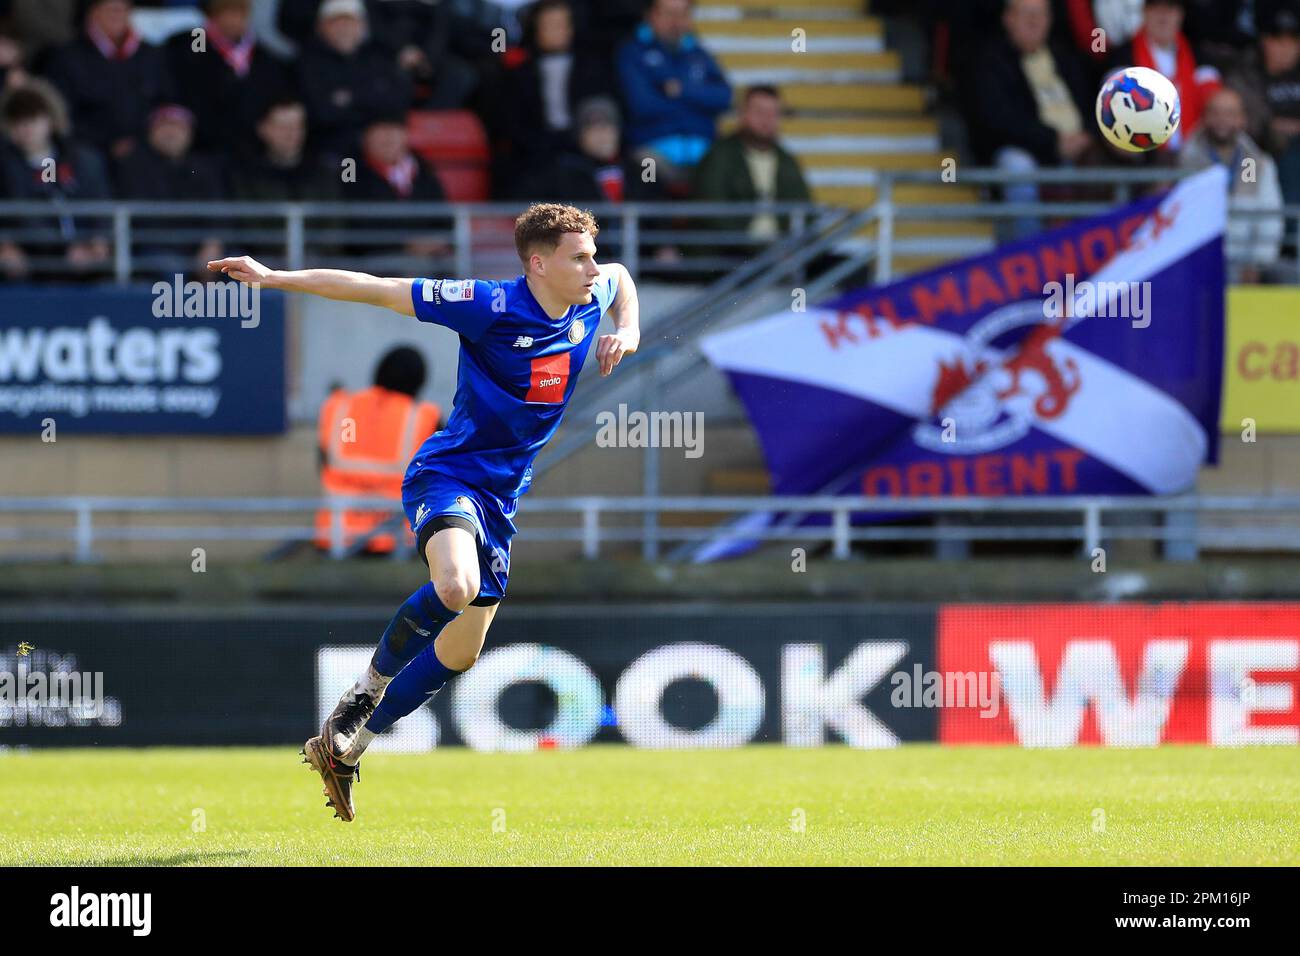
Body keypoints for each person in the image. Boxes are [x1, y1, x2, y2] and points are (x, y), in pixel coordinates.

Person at [207, 202, 641, 822]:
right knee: (455, 586)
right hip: (449, 476)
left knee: (462, 653)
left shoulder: (591, 293)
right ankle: (362, 695)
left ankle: (346, 747)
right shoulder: (488, 304)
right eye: (580, 258)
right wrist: (275, 277)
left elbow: (622, 279)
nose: (593, 268)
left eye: (592, 255)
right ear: (538, 264)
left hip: (502, 498)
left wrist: (629, 330)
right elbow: (376, 289)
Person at [965, 0, 1100, 238]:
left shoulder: (1066, 57)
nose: (1034, 22)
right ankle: (1031, 251)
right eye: (1026, 14)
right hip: (1026, 149)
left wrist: (1087, 135)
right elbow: (998, 120)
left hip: (1078, 147)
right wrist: (1053, 141)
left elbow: (1094, 103)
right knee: (1018, 167)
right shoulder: (990, 61)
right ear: (1008, 19)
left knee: (1103, 162)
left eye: (1040, 14)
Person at [315, 346, 443, 556]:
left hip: (336, 536)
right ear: (419, 381)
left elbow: (322, 462)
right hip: (397, 540)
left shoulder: (339, 407)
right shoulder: (424, 416)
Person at [616, 0, 731, 190]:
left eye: (683, 14)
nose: (676, 22)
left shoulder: (700, 54)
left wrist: (682, 90)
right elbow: (642, 106)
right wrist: (698, 107)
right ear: (651, 15)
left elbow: (724, 98)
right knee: (646, 175)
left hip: (703, 154)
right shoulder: (632, 53)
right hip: (652, 151)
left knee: (728, 171)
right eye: (669, 14)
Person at [1179, 85, 1285, 283]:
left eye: (1230, 114)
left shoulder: (1254, 163)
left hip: (1244, 264)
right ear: (1204, 118)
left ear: (1242, 119)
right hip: (1197, 264)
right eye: (1215, 113)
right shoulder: (1185, 161)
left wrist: (1257, 263)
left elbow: (1270, 217)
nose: (1222, 120)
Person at [44, 0, 172, 160]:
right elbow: (62, 114)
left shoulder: (150, 53)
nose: (118, 15)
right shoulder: (68, 57)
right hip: (90, 147)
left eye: (123, 10)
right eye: (111, 10)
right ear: (93, 14)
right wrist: (108, 143)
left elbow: (165, 100)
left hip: (146, 143)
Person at [691, 85, 812, 242]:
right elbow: (714, 213)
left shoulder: (787, 160)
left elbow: (805, 211)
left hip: (781, 250)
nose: (767, 120)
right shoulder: (719, 156)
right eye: (759, 112)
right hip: (733, 250)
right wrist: (754, 247)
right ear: (743, 114)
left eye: (773, 113)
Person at [1108, 0, 1222, 151]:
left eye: (1170, 8)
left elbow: (1216, 102)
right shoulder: (1123, 56)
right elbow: (1112, 106)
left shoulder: (1198, 56)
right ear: (1144, 12)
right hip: (1145, 154)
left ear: (1181, 15)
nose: (1163, 16)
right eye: (1156, 8)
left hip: (1195, 152)